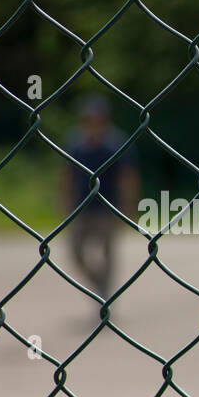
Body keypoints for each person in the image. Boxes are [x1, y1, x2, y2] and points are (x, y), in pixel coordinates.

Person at [65, 96, 139, 313]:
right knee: (76, 252)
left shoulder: (115, 143)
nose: (92, 122)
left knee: (108, 253)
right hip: (82, 208)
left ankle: (105, 297)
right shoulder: (76, 143)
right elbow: (67, 175)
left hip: (107, 208)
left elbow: (128, 178)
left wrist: (128, 208)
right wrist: (65, 201)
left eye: (96, 118)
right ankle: (99, 287)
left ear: (104, 120)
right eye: (88, 118)